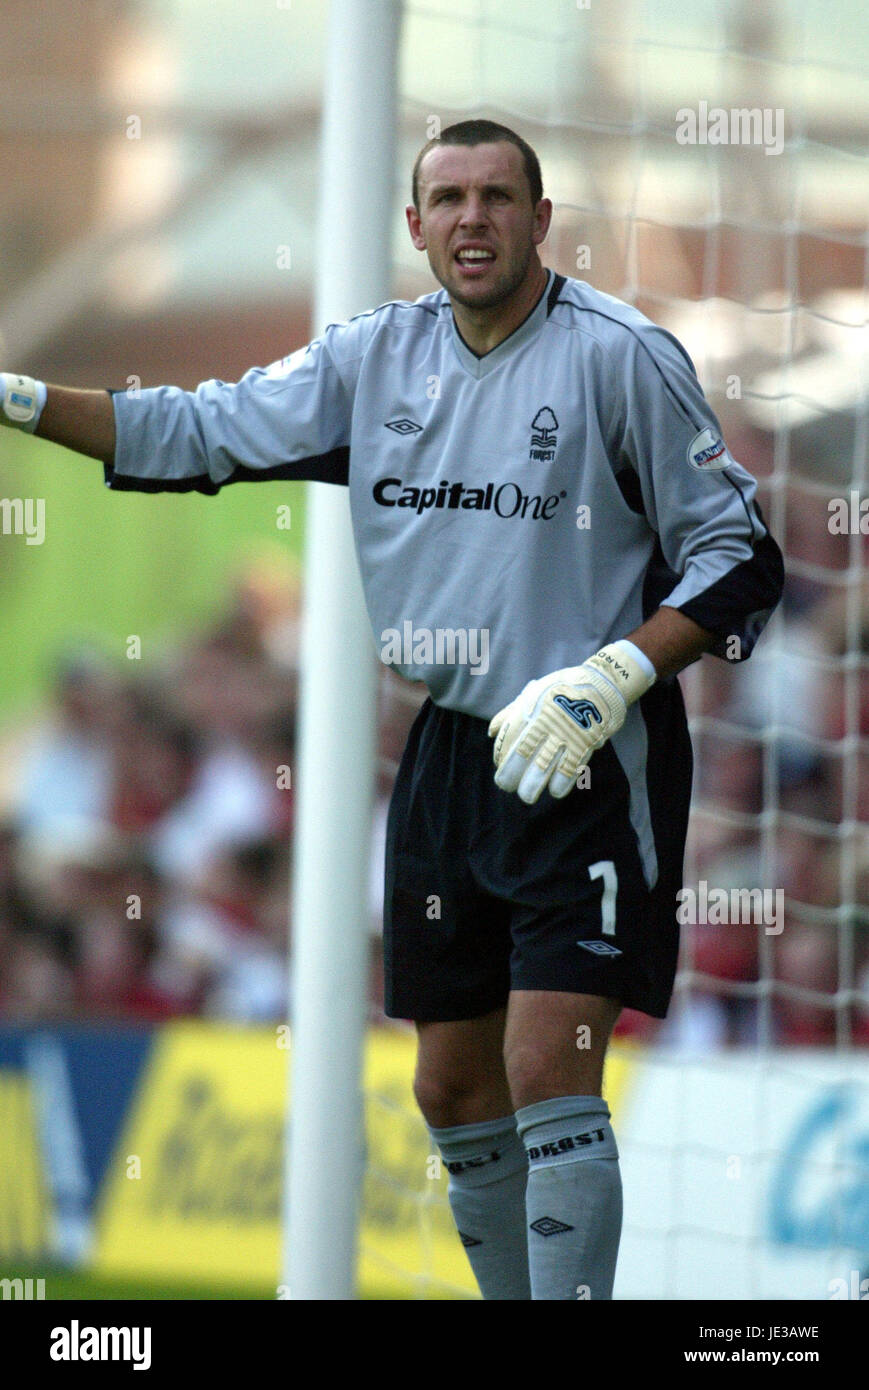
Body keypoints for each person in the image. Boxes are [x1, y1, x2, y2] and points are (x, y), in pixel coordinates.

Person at [1, 119, 784, 1300]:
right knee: (448, 1087)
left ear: (539, 219)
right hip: (450, 753)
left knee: (546, 1065)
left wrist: (609, 676)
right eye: (448, 199)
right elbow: (192, 431)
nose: (473, 218)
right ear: (413, 226)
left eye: (497, 197)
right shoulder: (371, 363)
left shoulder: (620, 357)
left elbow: (742, 559)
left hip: (587, 746)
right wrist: (16, 398)